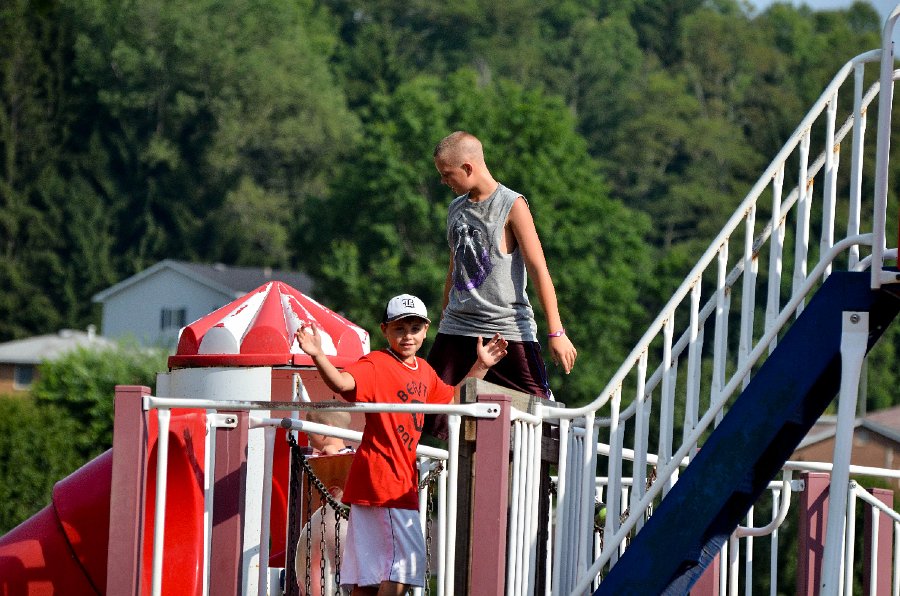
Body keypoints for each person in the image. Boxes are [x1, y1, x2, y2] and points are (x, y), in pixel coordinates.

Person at [295, 293, 508, 596]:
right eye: (399, 328)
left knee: (368, 579)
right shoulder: (376, 363)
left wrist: (481, 365)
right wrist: (317, 354)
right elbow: (342, 384)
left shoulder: (423, 370)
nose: (407, 335)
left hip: (384, 482)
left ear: (425, 330)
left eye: (414, 328)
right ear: (385, 330)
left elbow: (452, 400)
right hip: (385, 482)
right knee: (406, 565)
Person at [426, 131, 577, 438]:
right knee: (430, 409)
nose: (443, 182)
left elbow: (538, 267)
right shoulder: (456, 208)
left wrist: (556, 331)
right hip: (457, 327)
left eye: (447, 175)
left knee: (543, 422)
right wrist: (445, 313)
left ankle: (543, 483)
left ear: (468, 168)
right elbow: (455, 266)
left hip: (505, 329)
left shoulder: (511, 204)